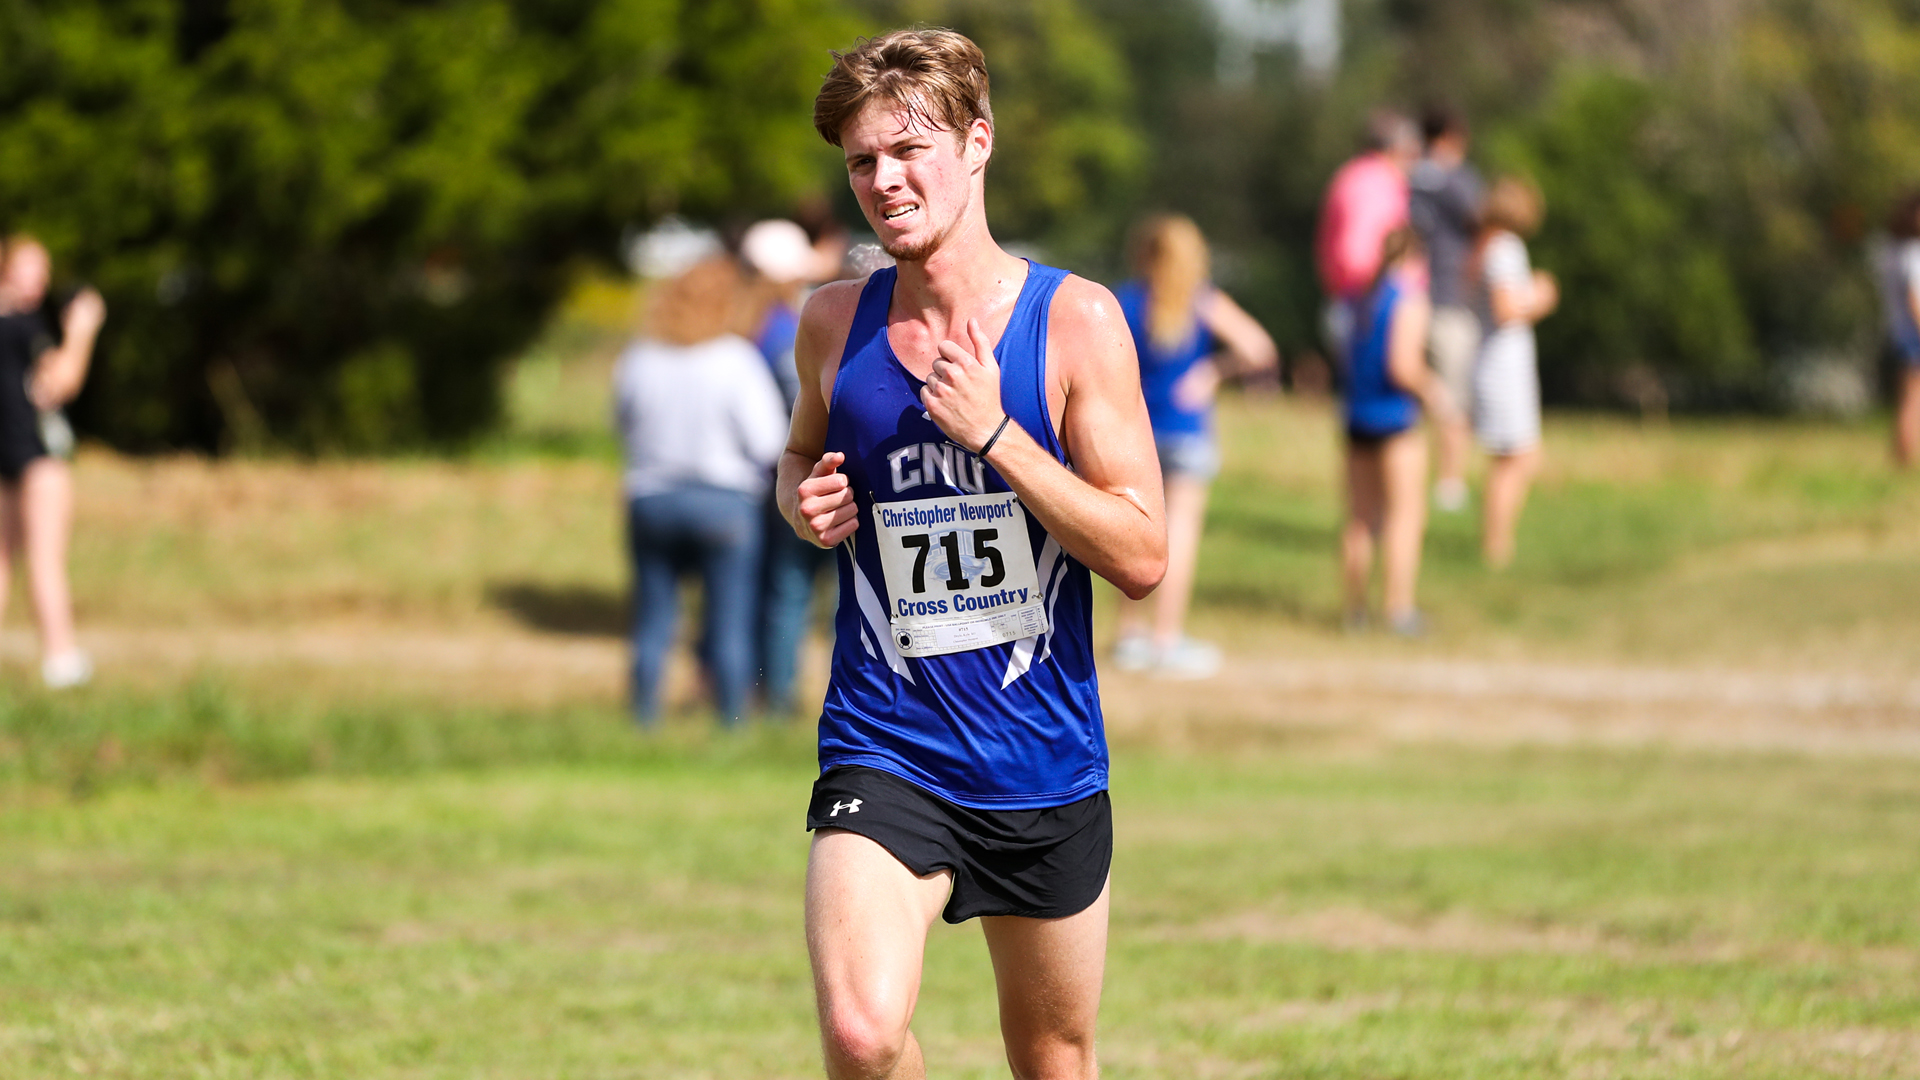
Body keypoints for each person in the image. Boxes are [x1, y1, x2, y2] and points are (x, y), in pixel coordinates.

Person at [780, 28, 1166, 1080]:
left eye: (909, 150)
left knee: (1052, 1057)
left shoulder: (1075, 321)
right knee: (861, 1033)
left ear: (978, 143)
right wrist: (801, 501)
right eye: (862, 161)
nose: (883, 181)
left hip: (1038, 755)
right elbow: (799, 455)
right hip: (885, 741)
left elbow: (1142, 554)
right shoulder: (832, 324)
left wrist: (998, 436)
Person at [613, 254, 788, 726]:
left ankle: (643, 720)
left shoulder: (641, 357)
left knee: (653, 619)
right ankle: (731, 724)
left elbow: (622, 424)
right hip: (724, 502)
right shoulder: (735, 360)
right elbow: (768, 442)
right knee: (731, 620)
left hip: (652, 497)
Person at [1110, 214, 1276, 678]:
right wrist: (1212, 373)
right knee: (1179, 537)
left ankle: (1129, 637)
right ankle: (1166, 640)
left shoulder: (1125, 300)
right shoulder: (1201, 300)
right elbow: (1259, 347)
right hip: (1186, 432)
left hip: (1136, 434)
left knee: (1129, 533)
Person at [741, 219, 838, 715]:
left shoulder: (744, 327)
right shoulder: (790, 330)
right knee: (829, 596)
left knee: (784, 594)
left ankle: (776, 698)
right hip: (815, 473)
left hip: (766, 478)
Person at [0, 236, 104, 689]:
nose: (40, 278)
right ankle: (61, 659)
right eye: (30, 267)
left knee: (1, 561)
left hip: (3, 455)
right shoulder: (26, 326)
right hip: (37, 455)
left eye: (44, 269)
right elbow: (60, 382)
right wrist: (82, 329)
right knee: (46, 558)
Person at [1342, 228, 1434, 636]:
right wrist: (1436, 393)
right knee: (1405, 516)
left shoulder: (1363, 297)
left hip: (1357, 417)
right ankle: (1399, 609)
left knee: (1360, 518)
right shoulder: (1409, 299)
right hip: (1395, 420)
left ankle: (1355, 611)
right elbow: (1403, 365)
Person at [1470, 176, 1558, 569]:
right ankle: (1498, 547)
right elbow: (1505, 309)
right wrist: (1540, 297)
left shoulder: (1484, 244)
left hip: (1493, 363)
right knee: (1517, 457)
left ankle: (1498, 543)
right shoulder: (1506, 247)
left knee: (1510, 457)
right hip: (1503, 366)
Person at [1407, 106, 1482, 512]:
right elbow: (1482, 221)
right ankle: (1449, 484)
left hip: (1410, 299)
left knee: (1414, 397)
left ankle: (1411, 476)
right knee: (1452, 399)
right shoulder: (1458, 180)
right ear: (1452, 137)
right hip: (1451, 298)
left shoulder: (1407, 176)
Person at [1315, 109, 1420, 365]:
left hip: (1352, 303)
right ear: (1396, 149)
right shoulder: (1375, 182)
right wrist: (1395, 291)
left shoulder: (1353, 175)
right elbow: (1355, 253)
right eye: (1413, 153)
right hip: (1369, 309)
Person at [1877, 191, 1920, 467]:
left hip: (1899, 332)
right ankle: (1904, 459)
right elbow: (1914, 298)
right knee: (1913, 400)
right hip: (1914, 334)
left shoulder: (1893, 251)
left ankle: (1901, 458)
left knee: (1907, 398)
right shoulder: (1913, 253)